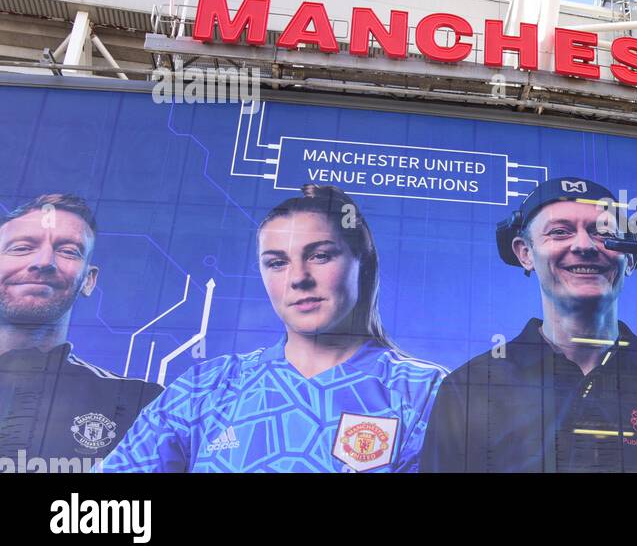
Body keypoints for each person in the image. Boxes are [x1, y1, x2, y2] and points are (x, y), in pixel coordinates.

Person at [102, 185, 445, 472]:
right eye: (277, 263)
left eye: (320, 255)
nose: (298, 278)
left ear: (362, 261)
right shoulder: (204, 390)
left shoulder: (425, 392)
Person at [423, 177, 637, 472]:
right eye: (560, 232)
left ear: (630, 257)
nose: (584, 245)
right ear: (525, 253)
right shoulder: (470, 389)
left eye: (602, 233)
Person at [0, 194, 161, 468]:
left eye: (68, 251)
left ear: (88, 280)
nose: (44, 261)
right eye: (22, 248)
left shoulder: (143, 405)